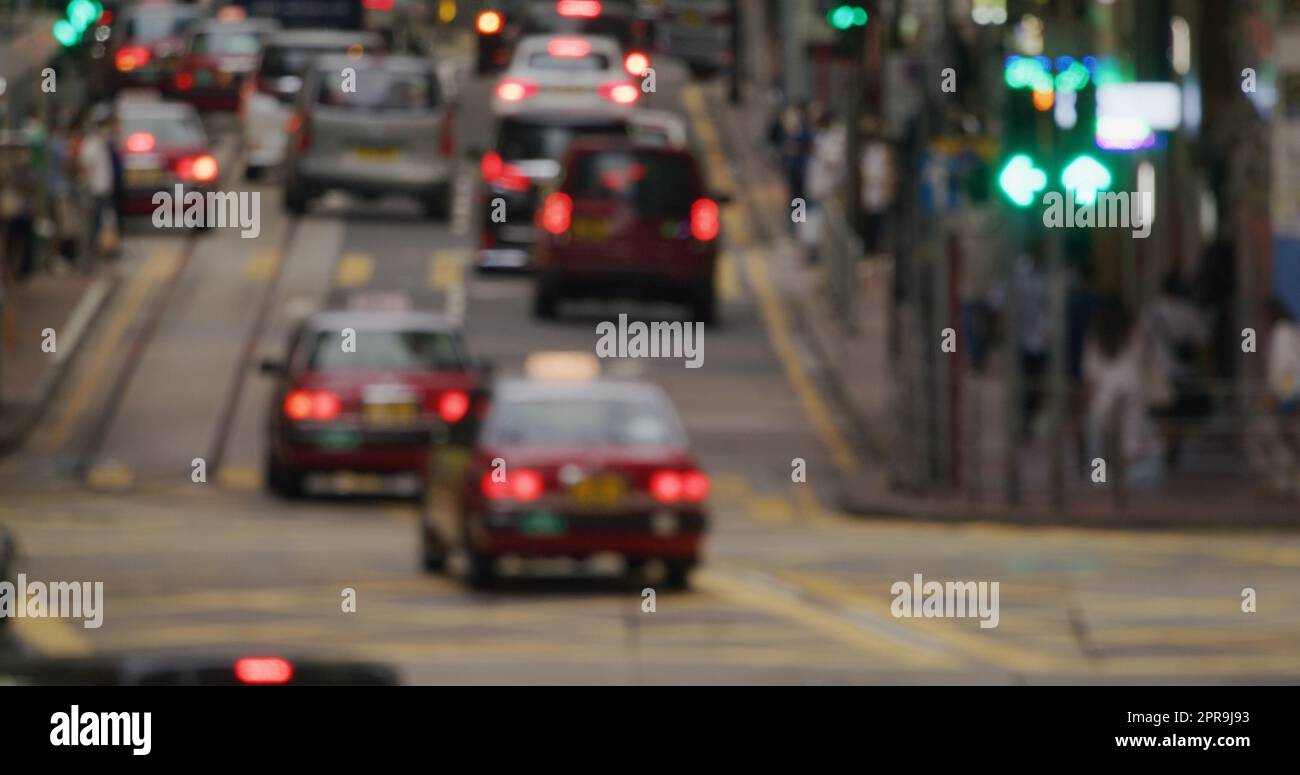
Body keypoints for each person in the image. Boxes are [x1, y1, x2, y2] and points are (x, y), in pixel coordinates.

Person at [1083, 297, 1165, 488]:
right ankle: (1128, 485)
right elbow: (1150, 361)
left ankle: (1102, 483)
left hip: (1103, 398)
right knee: (1131, 447)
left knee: (1101, 449)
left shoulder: (1096, 337)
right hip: (1132, 393)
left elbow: (1090, 375)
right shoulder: (1137, 333)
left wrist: (1087, 405)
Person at [1145, 273, 1212, 466]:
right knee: (1178, 415)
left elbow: (1144, 344)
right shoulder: (1190, 312)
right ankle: (1173, 449)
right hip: (1184, 371)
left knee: (1163, 413)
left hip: (1159, 371)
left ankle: (1167, 449)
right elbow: (1203, 344)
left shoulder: (1151, 312)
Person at [1263, 299, 1300, 496]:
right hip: (1291, 394)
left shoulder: (1281, 334)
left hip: (1286, 395)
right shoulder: (1292, 331)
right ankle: (1288, 482)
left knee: (1278, 438)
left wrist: (1279, 395)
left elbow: (1285, 368)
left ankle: (1284, 482)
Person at [77, 113, 117, 258]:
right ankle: (93, 251)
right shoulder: (91, 144)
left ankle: (101, 249)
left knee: (104, 220)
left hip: (104, 189)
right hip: (95, 190)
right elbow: (86, 166)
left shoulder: (101, 143)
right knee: (95, 222)